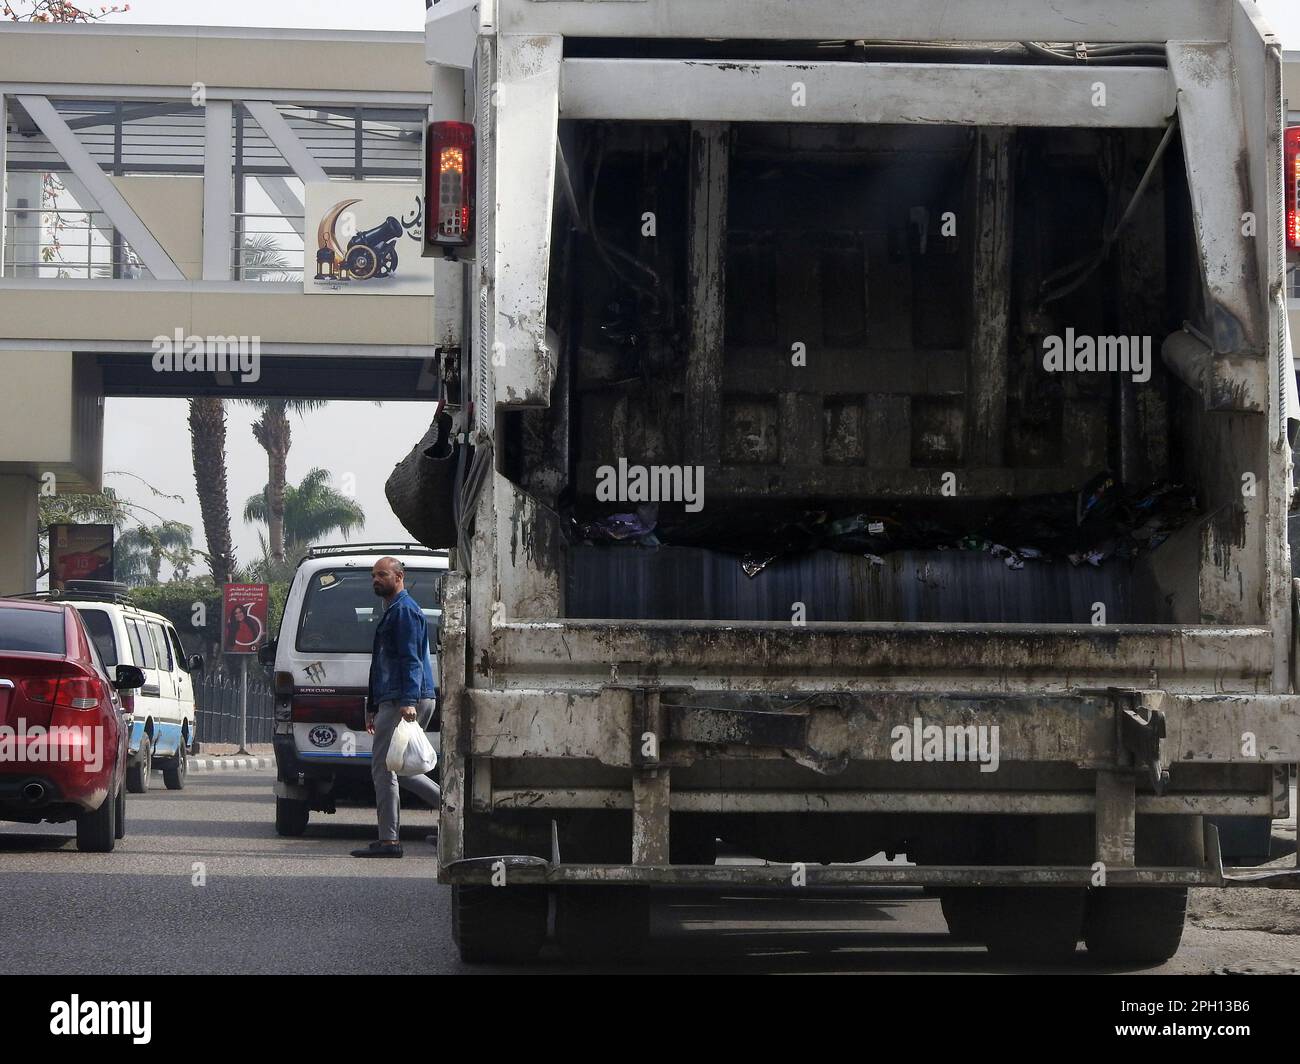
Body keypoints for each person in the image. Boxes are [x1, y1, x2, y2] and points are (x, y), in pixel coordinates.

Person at [351, 557, 441, 858]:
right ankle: (457, 815)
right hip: (396, 697)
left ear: (399, 577)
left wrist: (406, 701)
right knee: (399, 767)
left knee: (384, 768)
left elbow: (410, 659)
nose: (376, 580)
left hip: (406, 698)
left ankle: (389, 841)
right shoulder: (393, 611)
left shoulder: (404, 611)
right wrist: (372, 704)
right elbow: (383, 664)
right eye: (374, 575)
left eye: (382, 575)